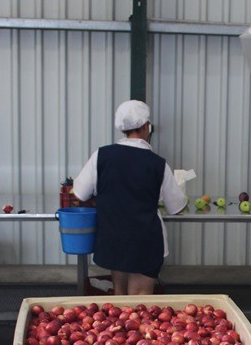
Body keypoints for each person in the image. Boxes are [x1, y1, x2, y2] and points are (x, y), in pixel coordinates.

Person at [72, 100, 187, 295]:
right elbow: (176, 205)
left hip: (113, 239)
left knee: (120, 297)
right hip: (145, 243)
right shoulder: (158, 164)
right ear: (145, 127)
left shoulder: (101, 155)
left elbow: (80, 193)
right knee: (139, 303)